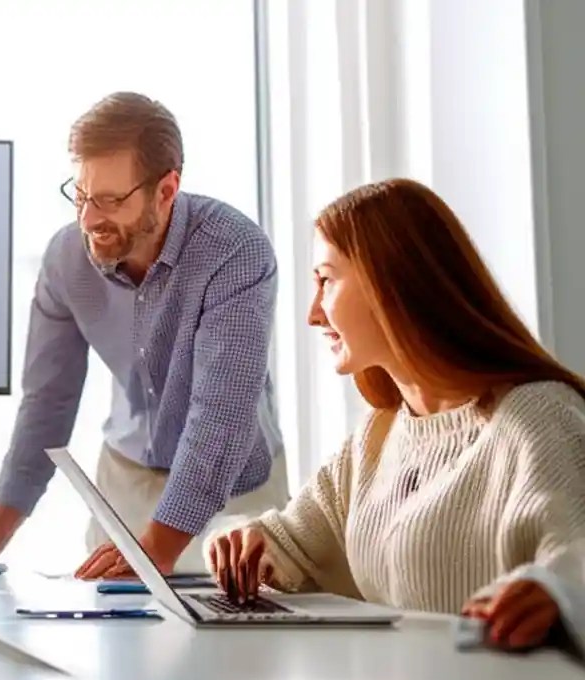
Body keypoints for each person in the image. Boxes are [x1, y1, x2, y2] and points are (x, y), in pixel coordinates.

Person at [206, 178, 585, 653]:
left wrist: (556, 593)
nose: (313, 314)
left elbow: (576, 559)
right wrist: (240, 542)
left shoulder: (535, 417)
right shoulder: (382, 433)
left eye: (325, 280)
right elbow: (290, 542)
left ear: (391, 281)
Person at [0, 91, 288, 577]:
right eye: (81, 196)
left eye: (111, 200)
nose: (90, 219)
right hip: (126, 479)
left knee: (237, 642)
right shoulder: (66, 260)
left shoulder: (234, 251)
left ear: (166, 190)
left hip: (235, 492)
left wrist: (158, 544)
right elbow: (47, 402)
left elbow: (220, 415)